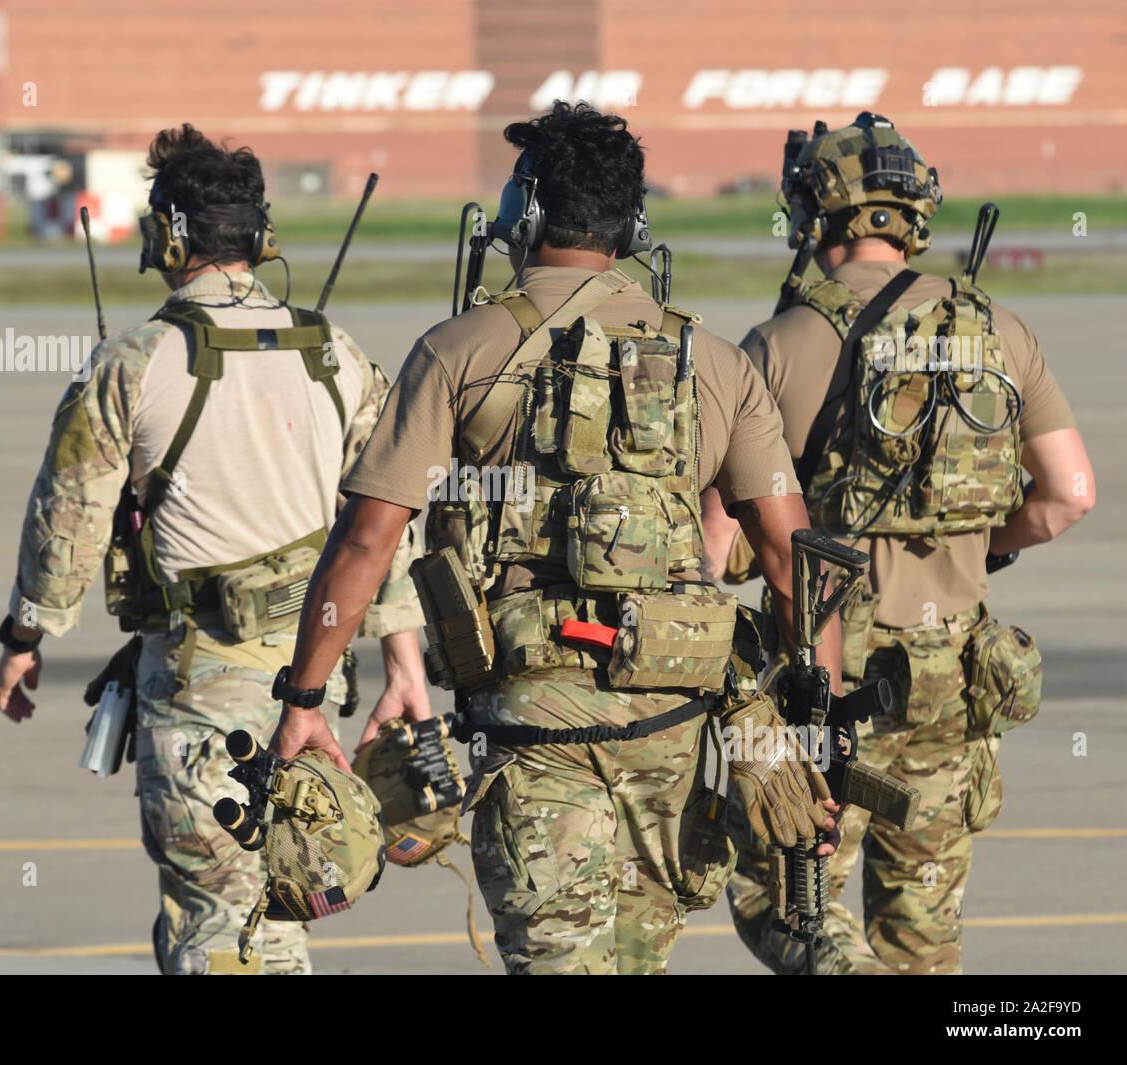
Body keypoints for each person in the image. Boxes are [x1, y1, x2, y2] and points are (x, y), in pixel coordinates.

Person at [268, 101, 839, 975]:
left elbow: (365, 544)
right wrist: (811, 732)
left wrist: (305, 700)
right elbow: (796, 565)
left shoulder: (458, 349)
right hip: (676, 738)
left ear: (524, 211)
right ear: (633, 224)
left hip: (537, 740)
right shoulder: (718, 364)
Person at [0, 124, 427, 975]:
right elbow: (381, 525)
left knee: (219, 922)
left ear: (169, 237)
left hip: (202, 689)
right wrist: (403, 660)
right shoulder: (336, 355)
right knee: (278, 901)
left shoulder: (135, 361)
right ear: (261, 240)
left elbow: (68, 515)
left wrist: (25, 637)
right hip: (315, 678)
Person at [713, 111, 1096, 974]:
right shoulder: (997, 330)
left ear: (815, 214)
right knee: (923, 934)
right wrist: (982, 544)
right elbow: (1072, 493)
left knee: (783, 899)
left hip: (828, 680)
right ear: (913, 214)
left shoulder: (775, 346)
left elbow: (715, 543)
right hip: (954, 680)